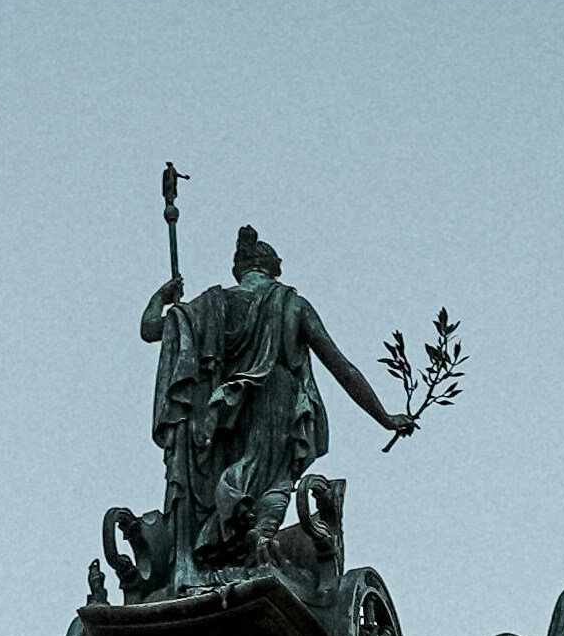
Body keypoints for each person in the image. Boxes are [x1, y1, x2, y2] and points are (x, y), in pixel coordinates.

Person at [140, 226, 411, 585]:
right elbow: (341, 366)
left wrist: (162, 296)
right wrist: (384, 417)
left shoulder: (209, 305)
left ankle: (240, 534)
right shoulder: (291, 304)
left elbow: (149, 328)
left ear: (240, 268)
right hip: (276, 397)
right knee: (276, 479)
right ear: (272, 269)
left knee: (238, 471)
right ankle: (263, 536)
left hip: (223, 409)